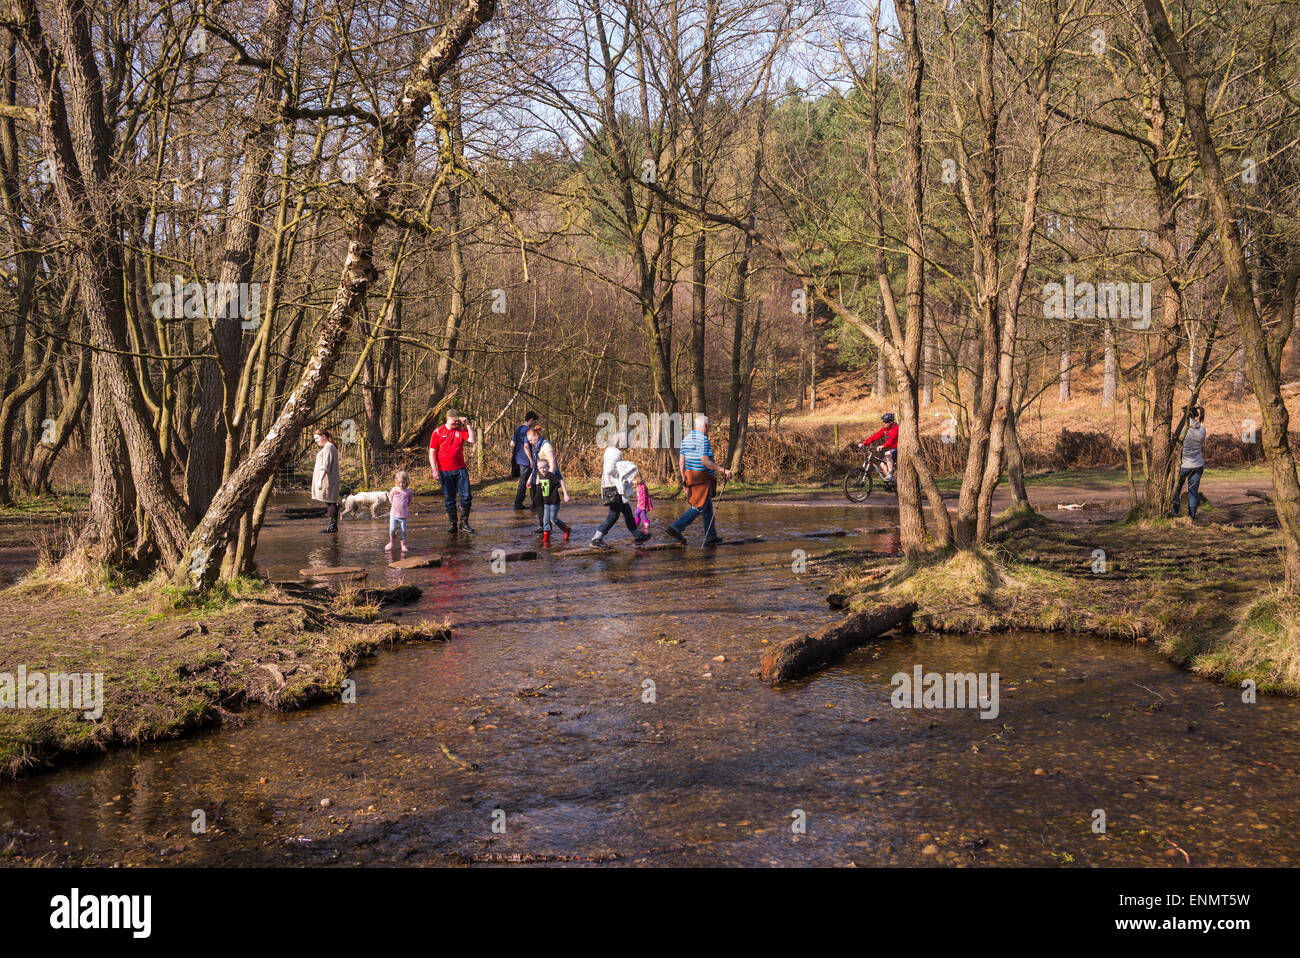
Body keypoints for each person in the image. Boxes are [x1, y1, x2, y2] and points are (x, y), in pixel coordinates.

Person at [664, 414, 732, 546]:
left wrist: (684, 478)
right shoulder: (704, 440)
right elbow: (705, 461)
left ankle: (711, 536)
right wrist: (723, 470)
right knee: (698, 507)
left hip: (690, 477)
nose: (709, 430)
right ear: (705, 426)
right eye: (709, 427)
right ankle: (676, 527)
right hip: (702, 479)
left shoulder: (685, 439)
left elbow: (681, 462)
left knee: (707, 508)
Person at [591, 436, 650, 549]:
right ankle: (596, 539)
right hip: (614, 488)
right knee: (613, 515)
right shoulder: (615, 452)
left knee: (627, 511)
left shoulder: (611, 450)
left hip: (613, 486)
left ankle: (638, 536)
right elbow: (610, 470)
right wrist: (624, 474)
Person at [429, 409, 476, 534]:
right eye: (453, 421)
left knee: (466, 496)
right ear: (447, 418)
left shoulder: (461, 430)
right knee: (449, 498)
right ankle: (453, 524)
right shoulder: (438, 432)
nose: (456, 423)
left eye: (457, 421)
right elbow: (432, 452)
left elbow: (472, 440)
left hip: (460, 469)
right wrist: (434, 470)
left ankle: (464, 523)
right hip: (444, 471)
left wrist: (468, 425)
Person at [1171, 404, 1206, 520]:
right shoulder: (1202, 429)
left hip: (1184, 464)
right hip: (1198, 464)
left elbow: (1175, 445)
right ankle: (1191, 517)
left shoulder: (1181, 429)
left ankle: (1174, 513)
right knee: (1193, 492)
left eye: (1180, 414)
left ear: (1186, 415)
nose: (1179, 416)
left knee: (1175, 488)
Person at [532, 459, 571, 547]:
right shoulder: (539, 476)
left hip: (554, 501)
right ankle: (546, 539)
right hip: (545, 502)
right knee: (545, 520)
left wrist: (565, 494)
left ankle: (566, 529)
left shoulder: (551, 476)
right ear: (538, 468)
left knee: (553, 519)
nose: (543, 470)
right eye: (541, 468)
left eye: (545, 467)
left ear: (548, 467)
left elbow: (561, 480)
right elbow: (539, 489)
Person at [312, 428, 341, 533]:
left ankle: (332, 526)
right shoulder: (328, 447)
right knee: (330, 502)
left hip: (328, 480)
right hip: (328, 479)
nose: (315, 441)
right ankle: (333, 526)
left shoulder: (329, 447)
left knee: (331, 502)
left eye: (316, 438)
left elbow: (325, 466)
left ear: (323, 436)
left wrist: (320, 480)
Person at [511, 411, 540, 510]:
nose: (534, 423)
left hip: (518, 459)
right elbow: (526, 446)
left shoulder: (518, 428)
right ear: (531, 420)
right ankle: (520, 504)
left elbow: (512, 444)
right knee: (528, 482)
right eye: (534, 421)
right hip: (525, 460)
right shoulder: (528, 430)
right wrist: (531, 460)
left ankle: (532, 503)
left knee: (526, 481)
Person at [861, 412, 899, 482]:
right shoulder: (885, 430)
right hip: (892, 450)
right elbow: (875, 436)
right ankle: (891, 482)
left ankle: (890, 474)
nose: (883, 423)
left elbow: (891, 440)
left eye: (885, 422)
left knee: (887, 453)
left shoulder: (895, 428)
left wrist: (883, 446)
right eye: (883, 422)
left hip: (898, 449)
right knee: (882, 464)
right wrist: (864, 443)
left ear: (891, 422)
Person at [386, 470, 414, 553]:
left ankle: (403, 544)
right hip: (394, 514)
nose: (401, 485)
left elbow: (409, 500)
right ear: (396, 482)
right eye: (399, 483)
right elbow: (391, 499)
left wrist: (405, 506)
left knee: (403, 530)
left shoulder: (408, 491)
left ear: (407, 482)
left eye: (403, 483)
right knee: (392, 529)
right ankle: (392, 542)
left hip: (403, 515)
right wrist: (395, 505)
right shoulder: (394, 489)